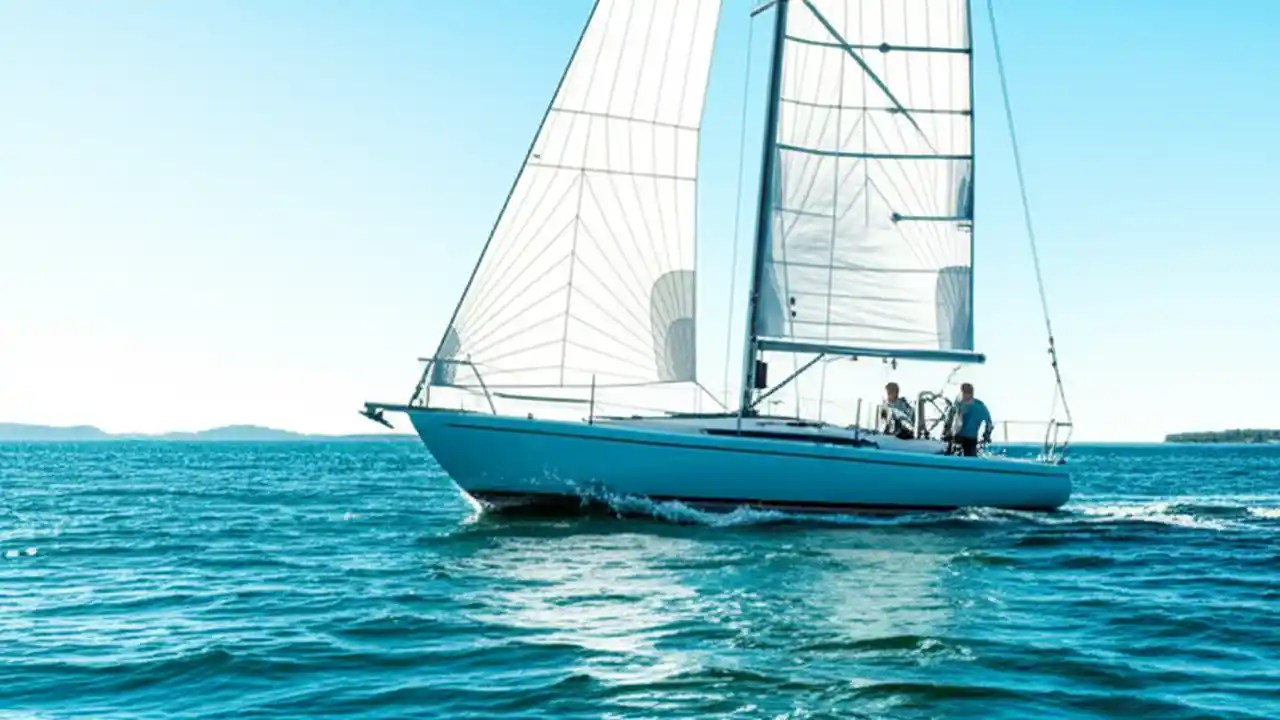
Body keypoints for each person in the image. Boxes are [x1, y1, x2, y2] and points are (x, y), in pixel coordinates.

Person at [945, 382, 993, 457]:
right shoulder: (958, 405)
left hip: (970, 440)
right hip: (957, 438)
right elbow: (949, 420)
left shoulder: (979, 406)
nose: (965, 395)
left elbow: (989, 423)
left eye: (966, 393)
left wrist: (986, 435)